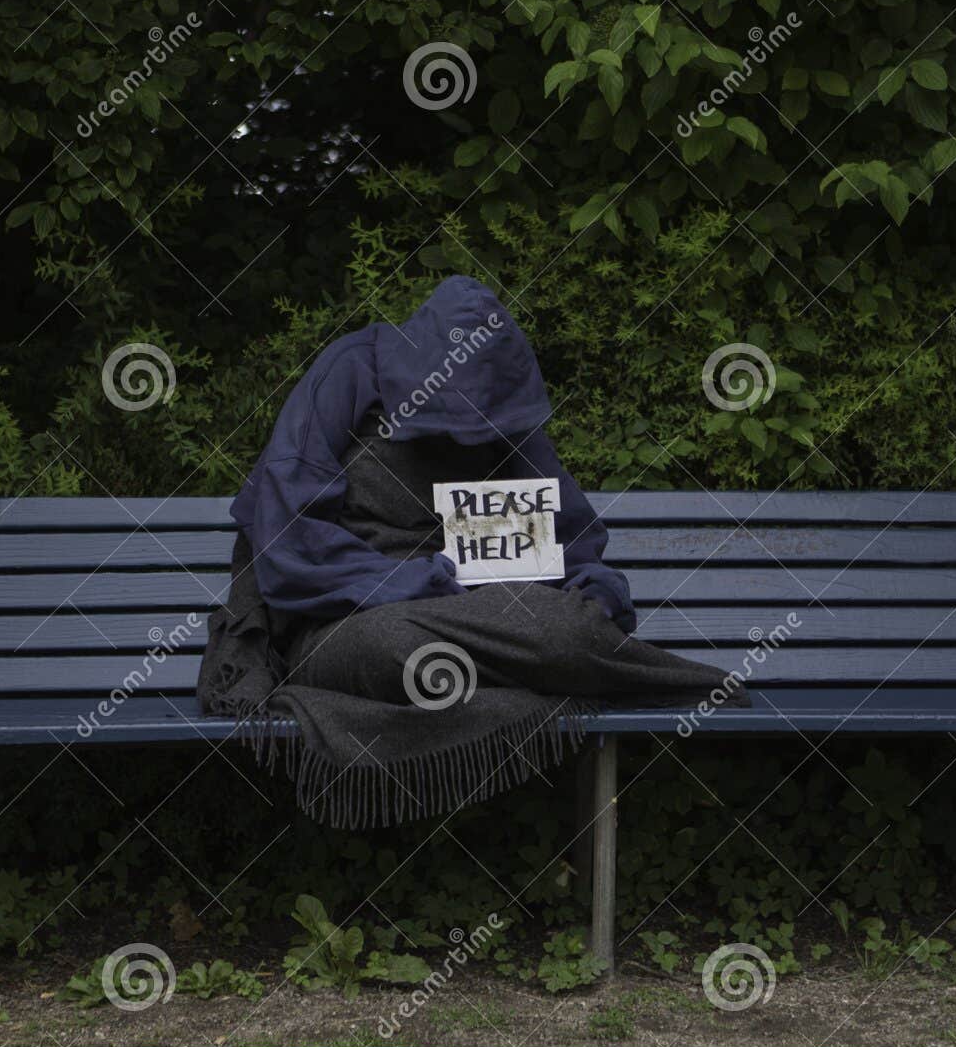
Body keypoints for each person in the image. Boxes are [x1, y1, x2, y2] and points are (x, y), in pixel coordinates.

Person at [198, 276, 737, 828]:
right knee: (405, 650)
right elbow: (287, 541)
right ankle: (543, 668)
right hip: (348, 621)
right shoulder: (348, 371)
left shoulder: (504, 405)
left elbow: (569, 536)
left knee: (571, 627)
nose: (463, 440)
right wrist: (410, 581)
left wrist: (593, 590)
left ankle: (559, 657)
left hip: (480, 611)